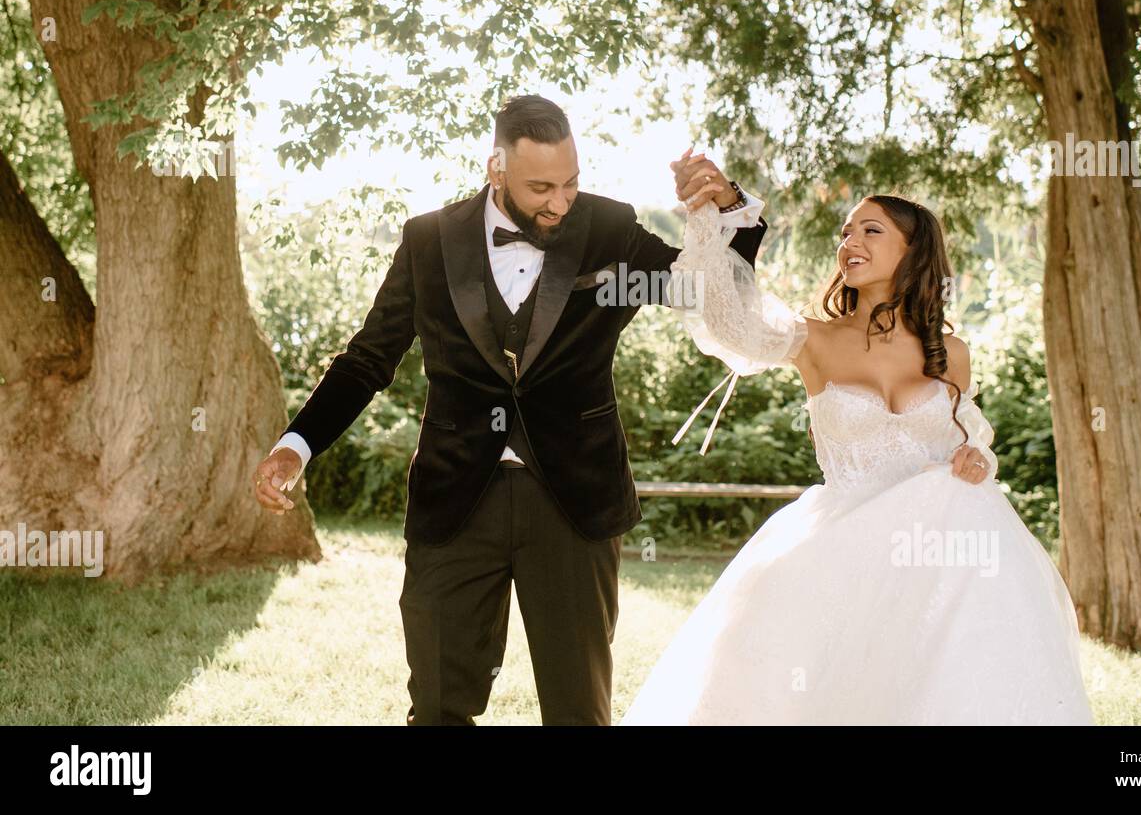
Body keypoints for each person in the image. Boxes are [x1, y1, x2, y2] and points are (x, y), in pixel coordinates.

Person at [251, 95, 765, 724]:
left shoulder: (609, 229)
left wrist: (727, 209)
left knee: (578, 711)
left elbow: (714, 298)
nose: (560, 202)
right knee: (438, 708)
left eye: (571, 182)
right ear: (496, 168)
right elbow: (368, 359)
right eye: (541, 187)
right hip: (456, 499)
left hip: (575, 501)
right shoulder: (428, 240)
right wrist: (295, 445)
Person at [620, 172, 1094, 725]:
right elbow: (726, 319)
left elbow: (973, 440)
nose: (850, 243)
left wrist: (976, 460)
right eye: (846, 233)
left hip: (942, 557)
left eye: (871, 231)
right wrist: (711, 216)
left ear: (913, 252)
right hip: (844, 550)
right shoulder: (813, 339)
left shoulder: (951, 352)